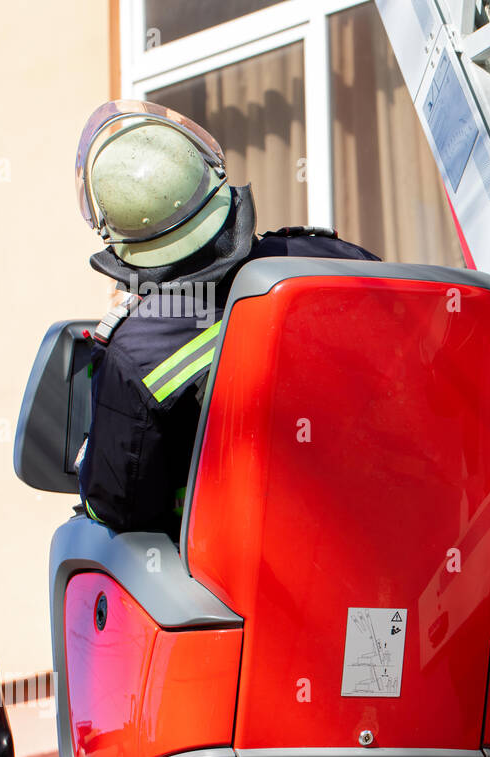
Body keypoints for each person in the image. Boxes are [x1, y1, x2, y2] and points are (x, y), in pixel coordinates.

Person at [73, 100, 378, 538]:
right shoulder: (341, 259)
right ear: (210, 178)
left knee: (83, 539)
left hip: (256, 585)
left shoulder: (136, 352)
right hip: (403, 549)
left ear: (121, 238)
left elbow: (119, 508)